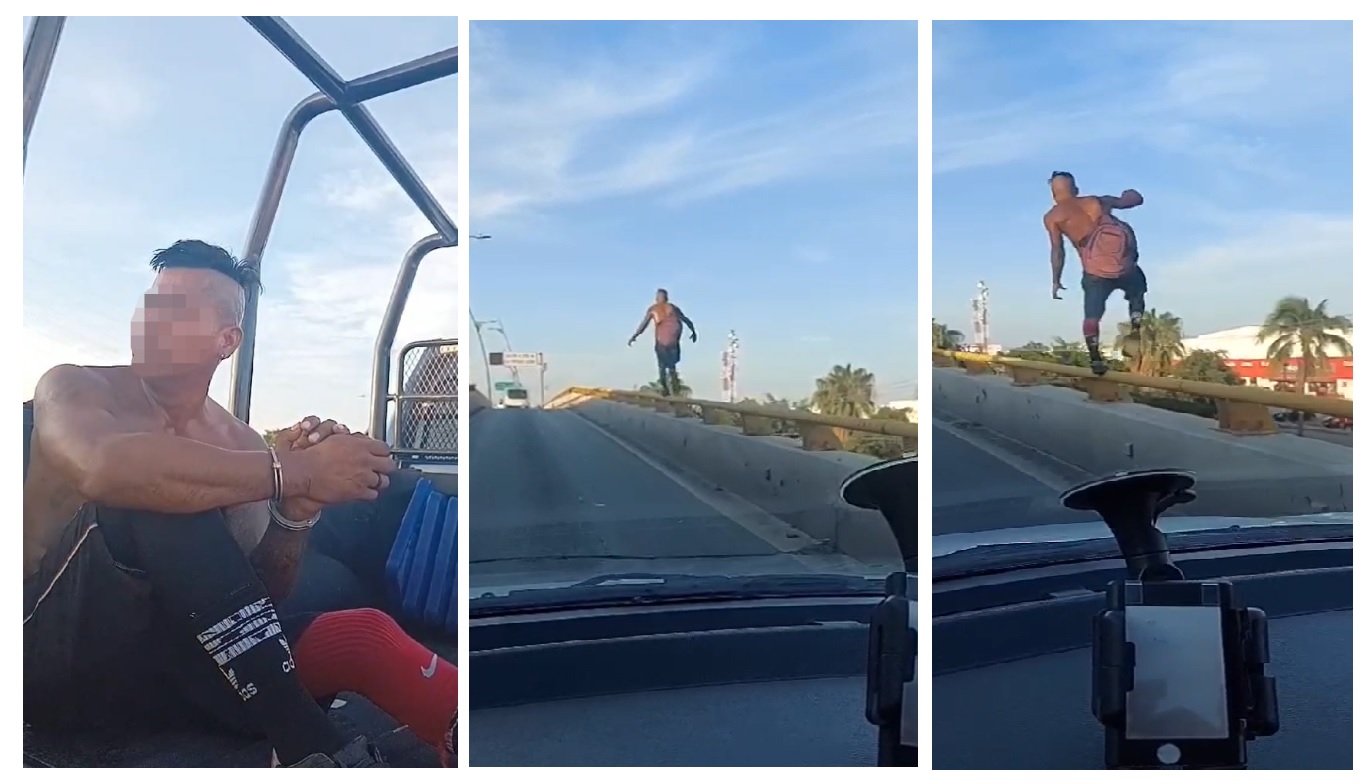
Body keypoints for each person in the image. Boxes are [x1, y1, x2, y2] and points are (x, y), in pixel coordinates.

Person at [22, 240, 458, 768]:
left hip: (170, 666)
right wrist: (293, 469)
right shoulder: (74, 388)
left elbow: (256, 595)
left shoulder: (242, 443)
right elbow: (103, 466)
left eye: (178, 310)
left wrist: (298, 507)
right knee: (157, 489)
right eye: (150, 303)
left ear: (226, 341)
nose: (151, 321)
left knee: (362, 636)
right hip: (47, 658)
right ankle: (310, 746)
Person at [1042, 171, 1147, 375]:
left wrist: (1056, 280)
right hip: (1124, 265)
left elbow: (1057, 250)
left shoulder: (1053, 217)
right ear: (1076, 189)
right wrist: (1131, 194)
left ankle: (1095, 357)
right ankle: (1135, 323)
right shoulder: (1096, 201)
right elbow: (1131, 201)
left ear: (1053, 194)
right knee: (1137, 290)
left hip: (1094, 273)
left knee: (1092, 316)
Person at [627, 288, 697, 396]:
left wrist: (635, 335)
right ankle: (675, 390)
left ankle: (665, 390)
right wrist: (693, 331)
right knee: (672, 366)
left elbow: (644, 324)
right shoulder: (673, 308)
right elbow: (686, 320)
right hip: (673, 341)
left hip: (661, 342)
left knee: (662, 366)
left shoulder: (653, 309)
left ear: (657, 298)